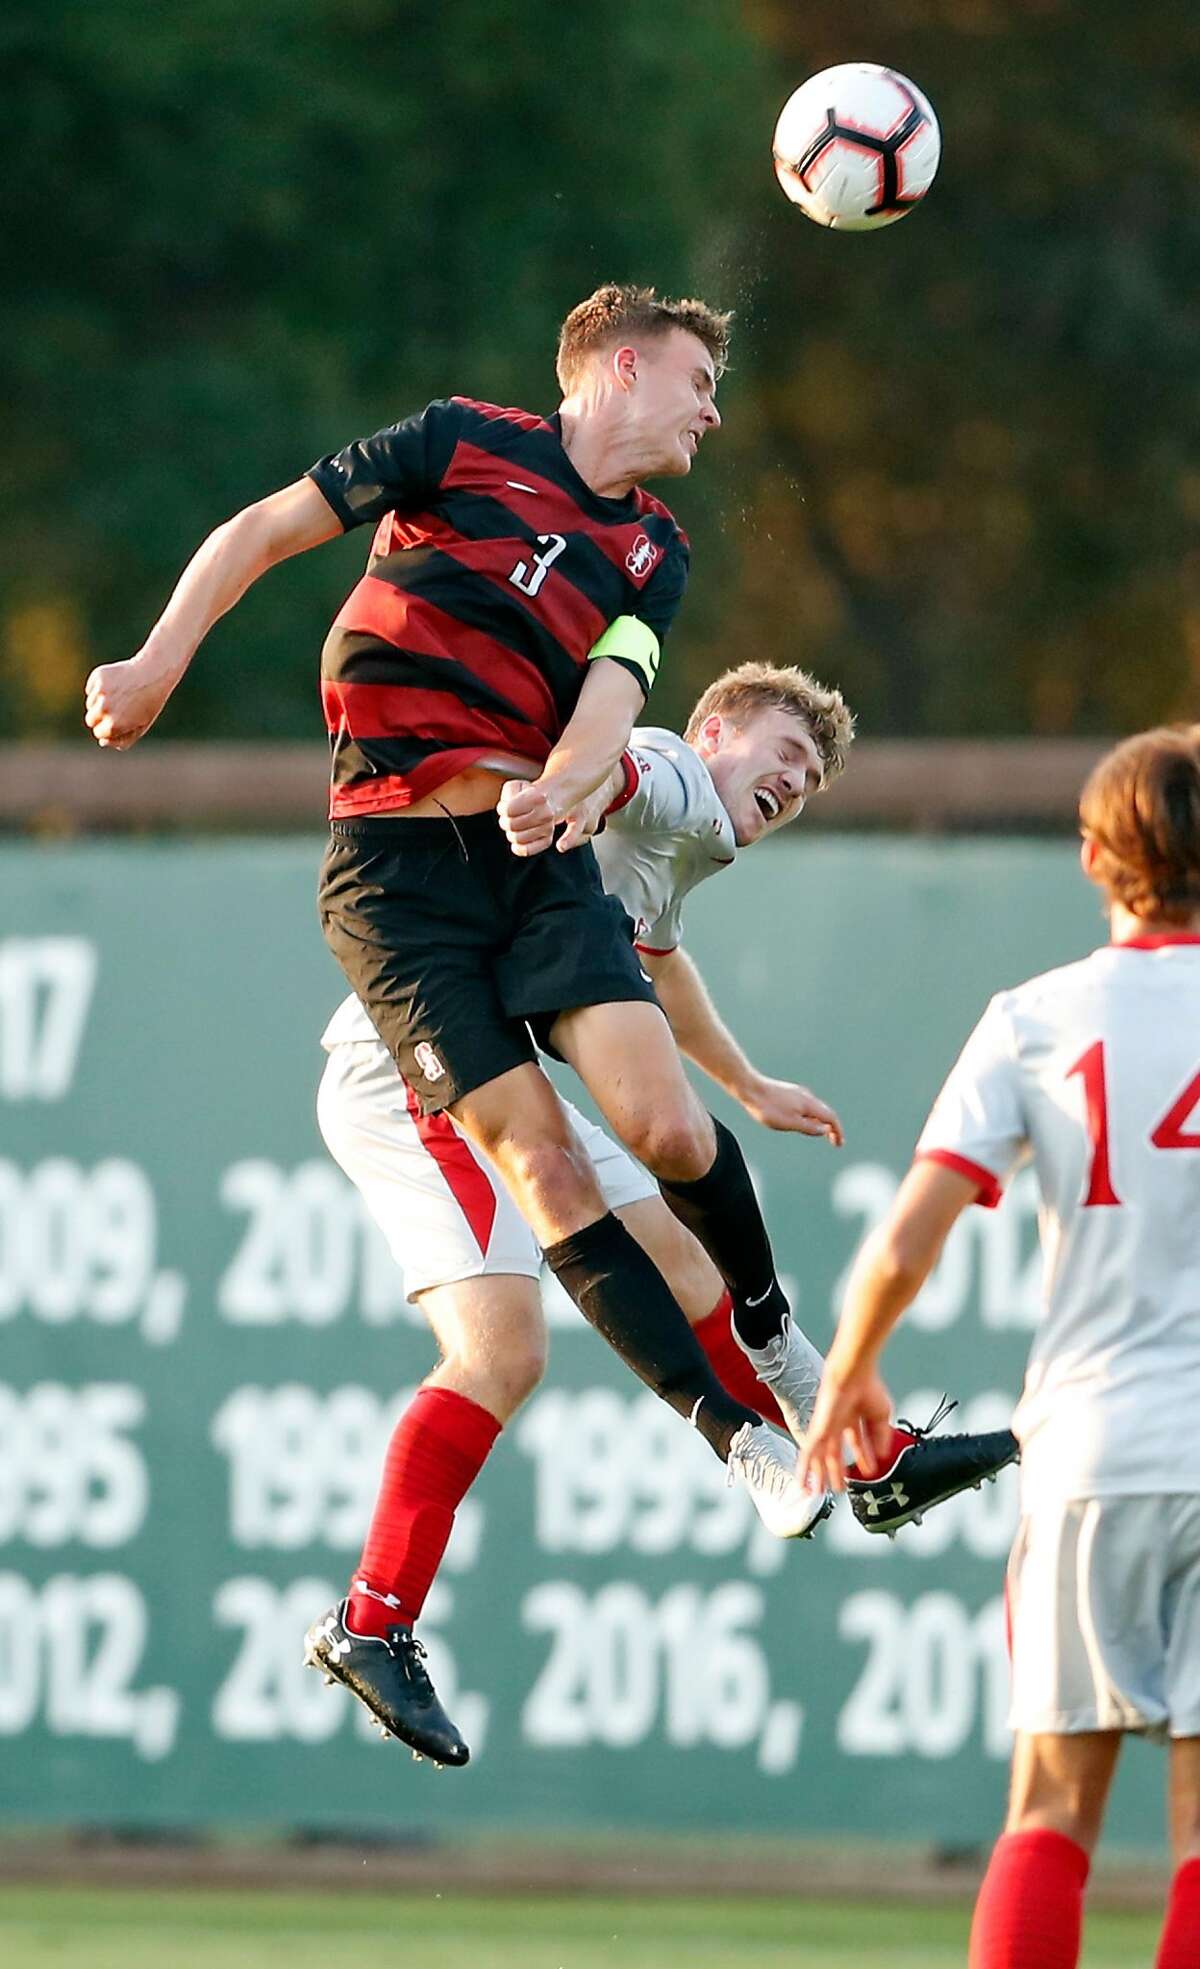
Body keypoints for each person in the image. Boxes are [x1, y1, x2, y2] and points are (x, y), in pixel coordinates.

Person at [84, 285, 857, 1739]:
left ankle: (779, 1361)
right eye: (698, 381)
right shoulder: (457, 441)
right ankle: (740, 1442)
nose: (711, 410)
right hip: (398, 883)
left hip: (532, 859)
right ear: (621, 366)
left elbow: (613, 693)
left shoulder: (655, 549)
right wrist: (159, 656)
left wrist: (568, 779)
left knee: (662, 1127)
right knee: (544, 1214)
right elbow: (262, 529)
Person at [308, 663, 1018, 1763]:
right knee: (502, 1354)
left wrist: (748, 1083)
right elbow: (627, 770)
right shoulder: (676, 778)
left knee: (691, 1259)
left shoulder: (691, 843)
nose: (796, 781)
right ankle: (373, 1620)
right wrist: (588, 774)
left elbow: (658, 957)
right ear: (715, 727)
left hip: (504, 1070)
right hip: (411, 1073)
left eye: (813, 780)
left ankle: (858, 1454)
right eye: (784, 753)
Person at [799, 725, 1200, 1969]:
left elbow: (910, 1233)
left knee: (1050, 1811)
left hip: (1092, 1448)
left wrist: (854, 1367)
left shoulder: (1036, 1018)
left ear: (1092, 856)